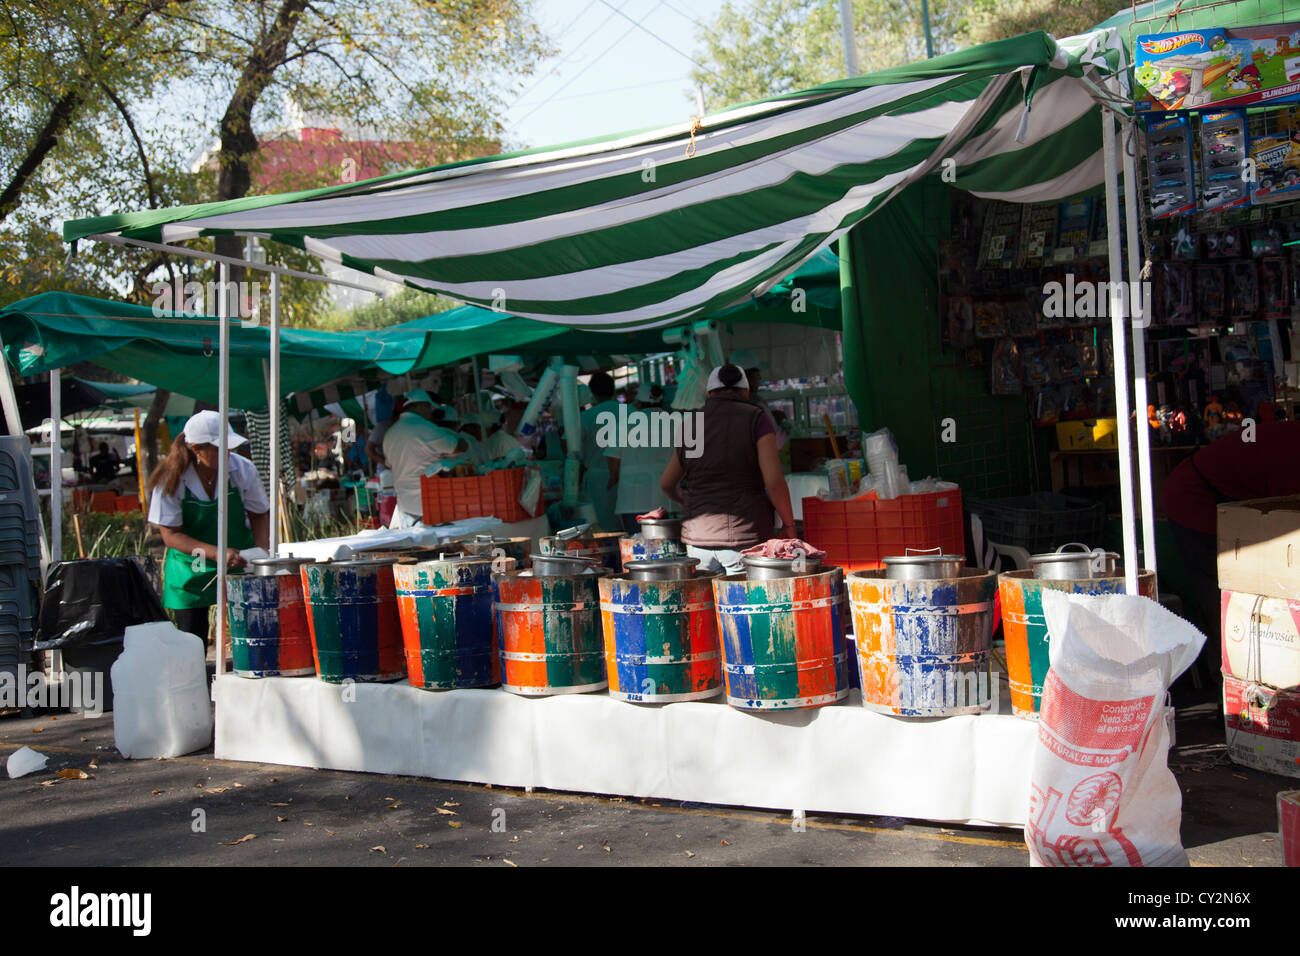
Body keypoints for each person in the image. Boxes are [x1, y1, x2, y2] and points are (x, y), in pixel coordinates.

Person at [1162, 421, 1300, 680]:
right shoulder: (1292, 452)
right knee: (1223, 600)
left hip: (1229, 499)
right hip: (1193, 498)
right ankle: (1229, 683)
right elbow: (1290, 515)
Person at [147, 411, 270, 646]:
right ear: (196, 449)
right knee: (193, 643)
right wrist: (217, 553)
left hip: (238, 561)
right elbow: (170, 535)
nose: (228, 453)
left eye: (228, 447)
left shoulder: (243, 469)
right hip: (191, 566)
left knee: (251, 637)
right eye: (219, 448)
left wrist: (261, 550)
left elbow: (259, 514)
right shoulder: (171, 479)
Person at [659, 364, 796, 575]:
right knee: (742, 604)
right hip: (744, 535)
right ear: (746, 391)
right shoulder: (757, 418)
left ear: (709, 393)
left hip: (697, 539)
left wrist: (685, 500)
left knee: (703, 606)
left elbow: (667, 483)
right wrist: (789, 524)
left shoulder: (691, 424)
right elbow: (774, 482)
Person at [382, 389, 466, 527]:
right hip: (430, 506)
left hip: (405, 507)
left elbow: (389, 464)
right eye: (430, 408)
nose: (431, 414)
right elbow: (458, 447)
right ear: (423, 406)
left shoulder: (390, 434)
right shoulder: (426, 428)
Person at [609, 383, 675, 534]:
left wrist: (613, 478)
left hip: (633, 498)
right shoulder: (675, 423)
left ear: (638, 402)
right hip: (666, 499)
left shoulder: (625, 425)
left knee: (636, 544)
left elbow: (612, 456)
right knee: (668, 547)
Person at [579, 371, 622, 531]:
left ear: (592, 392)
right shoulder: (630, 412)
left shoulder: (586, 417)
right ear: (613, 389)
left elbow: (570, 448)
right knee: (632, 531)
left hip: (598, 479)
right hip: (628, 476)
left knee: (604, 530)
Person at [731, 349, 787, 451]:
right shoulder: (757, 403)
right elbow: (777, 442)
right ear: (748, 378)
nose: (760, 379)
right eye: (757, 375)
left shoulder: (722, 401)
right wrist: (785, 430)